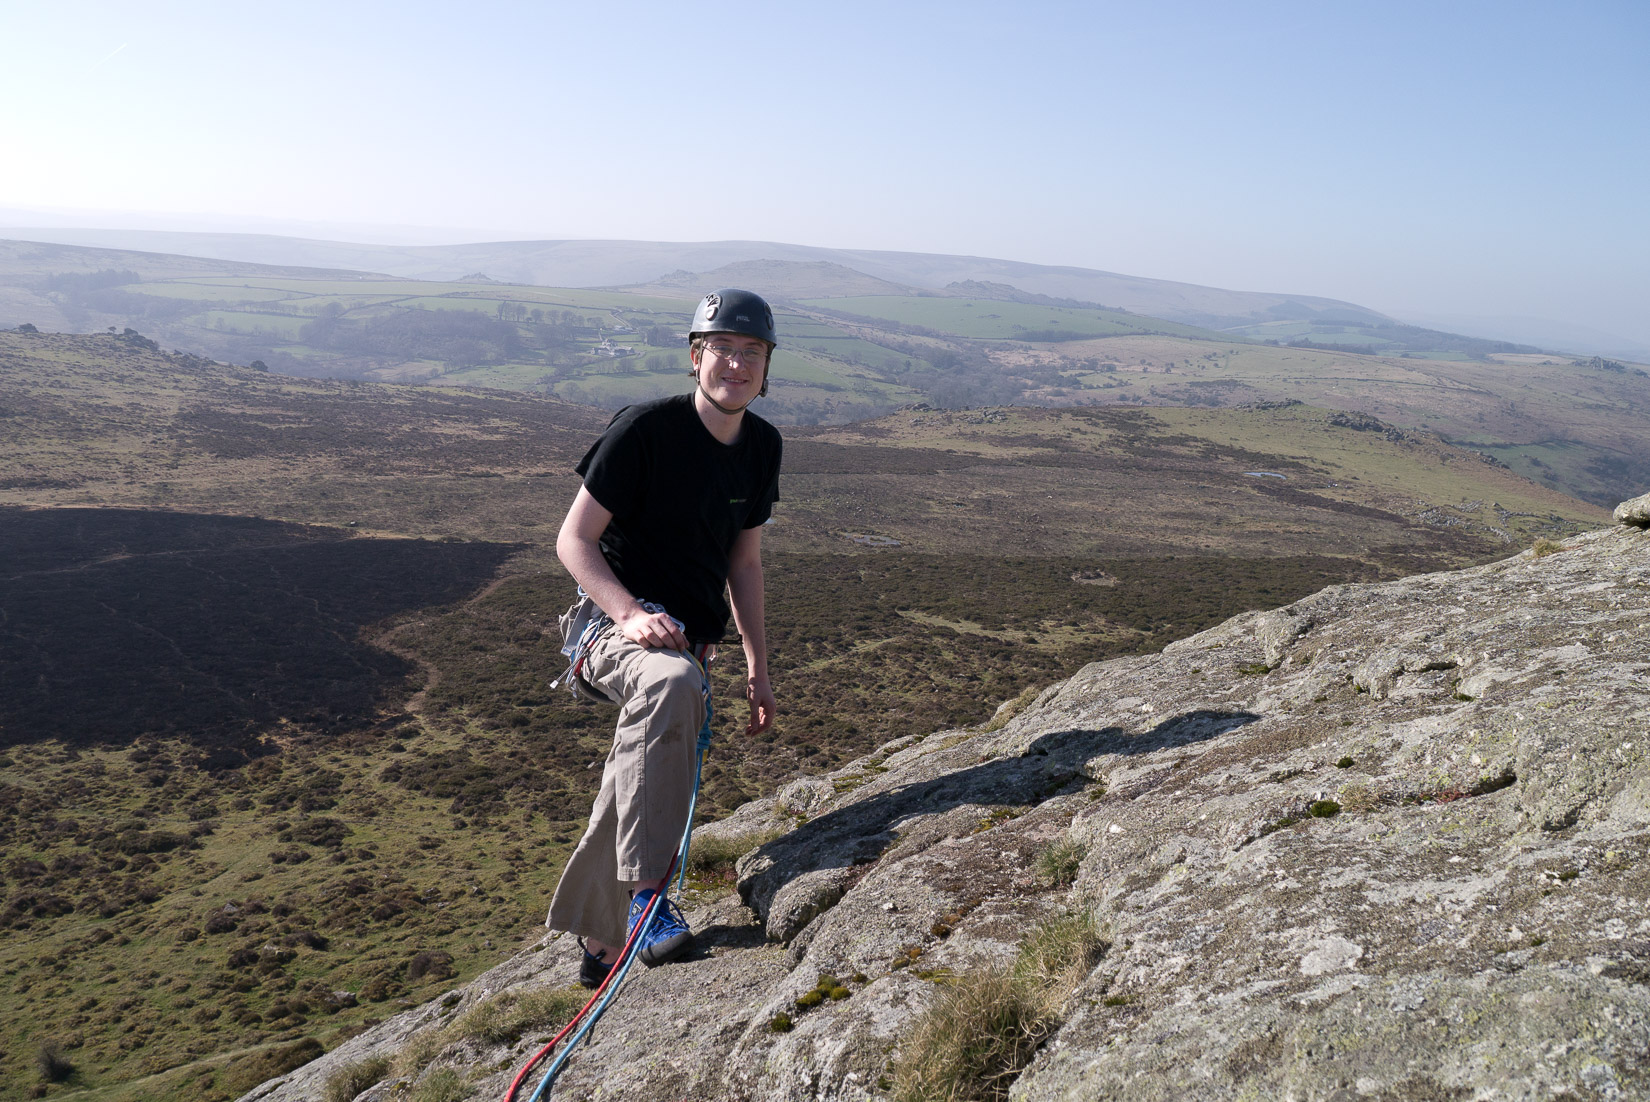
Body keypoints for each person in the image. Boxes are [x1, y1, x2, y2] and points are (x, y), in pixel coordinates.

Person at [545, 288, 782, 987]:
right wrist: (627, 615)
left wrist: (759, 671)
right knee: (671, 686)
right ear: (695, 357)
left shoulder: (762, 447)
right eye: (723, 350)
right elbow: (574, 540)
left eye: (752, 353)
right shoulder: (646, 430)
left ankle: (598, 938)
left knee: (641, 759)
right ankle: (648, 898)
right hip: (608, 626)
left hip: (686, 641)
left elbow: (744, 563)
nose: (736, 364)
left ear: (768, 366)